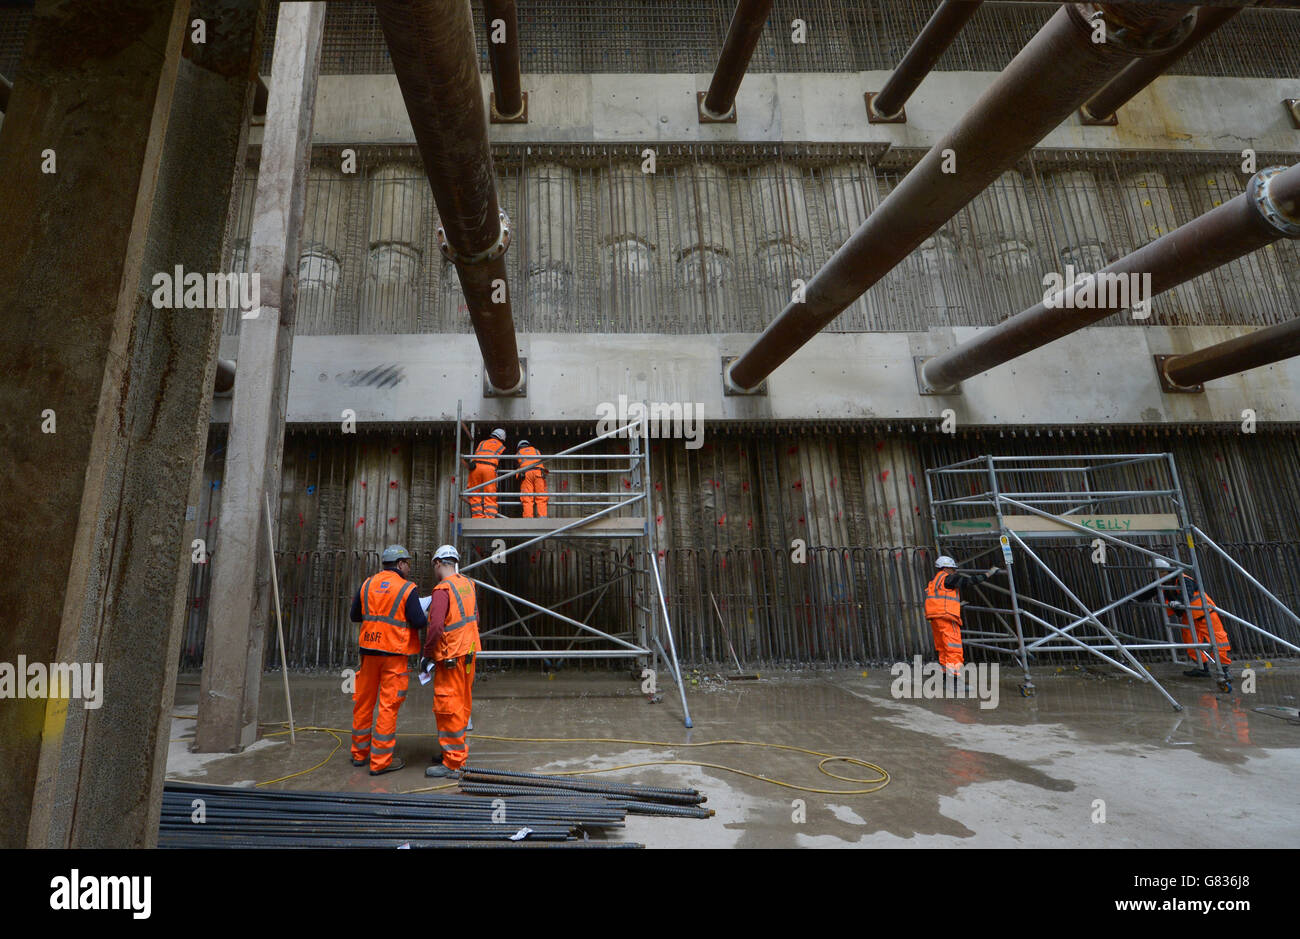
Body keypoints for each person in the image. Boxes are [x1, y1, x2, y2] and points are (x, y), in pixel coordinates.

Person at [349, 544, 427, 775]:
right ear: (401, 564)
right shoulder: (407, 588)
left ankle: (359, 754)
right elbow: (418, 621)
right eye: (408, 564)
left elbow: (355, 615)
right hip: (394, 655)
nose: (409, 569)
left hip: (369, 653)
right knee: (387, 707)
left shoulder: (367, 584)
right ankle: (380, 762)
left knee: (363, 703)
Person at [420, 544, 479, 778]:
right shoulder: (468, 584)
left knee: (448, 707)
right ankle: (454, 752)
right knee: (462, 703)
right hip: (468, 653)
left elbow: (435, 627)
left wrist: (427, 654)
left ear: (437, 563)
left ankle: (453, 762)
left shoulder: (442, 590)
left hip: (451, 656)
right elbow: (474, 617)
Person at [1153, 558, 1232, 682]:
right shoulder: (1162, 582)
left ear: (1164, 572)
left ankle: (1224, 670)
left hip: (1205, 613)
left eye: (1158, 573)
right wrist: (1134, 599)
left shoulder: (1183, 579)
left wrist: (1179, 601)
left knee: (1218, 641)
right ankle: (1203, 667)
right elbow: (1149, 591)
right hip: (1189, 616)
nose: (1156, 576)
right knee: (1190, 642)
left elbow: (1188, 592)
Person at [924, 555, 1000, 677]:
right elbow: (968, 582)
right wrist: (988, 574)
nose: (954, 571)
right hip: (947, 618)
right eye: (953, 569)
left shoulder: (934, 582)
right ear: (946, 568)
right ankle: (954, 679)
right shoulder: (947, 579)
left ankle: (945, 676)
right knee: (954, 648)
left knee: (943, 648)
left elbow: (940, 600)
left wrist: (956, 605)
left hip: (936, 618)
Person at [467, 428, 507, 518]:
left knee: (474, 492)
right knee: (490, 493)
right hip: (489, 468)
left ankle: (477, 516)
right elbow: (503, 459)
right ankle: (489, 516)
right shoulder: (501, 446)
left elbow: (476, 454)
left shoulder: (482, 443)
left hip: (475, 468)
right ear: (502, 438)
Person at [517, 439, 548, 518]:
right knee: (541, 496)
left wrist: (518, 476)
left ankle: (528, 518)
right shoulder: (536, 451)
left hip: (526, 474)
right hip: (538, 473)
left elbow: (518, 468)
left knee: (527, 498)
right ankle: (542, 517)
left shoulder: (519, 453)